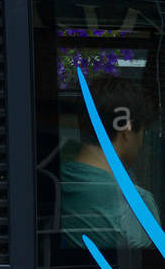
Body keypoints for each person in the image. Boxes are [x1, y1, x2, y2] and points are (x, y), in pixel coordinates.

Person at [61, 76, 160, 250]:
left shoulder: (48, 183)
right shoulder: (137, 203)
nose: (141, 143)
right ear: (127, 129)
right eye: (143, 132)